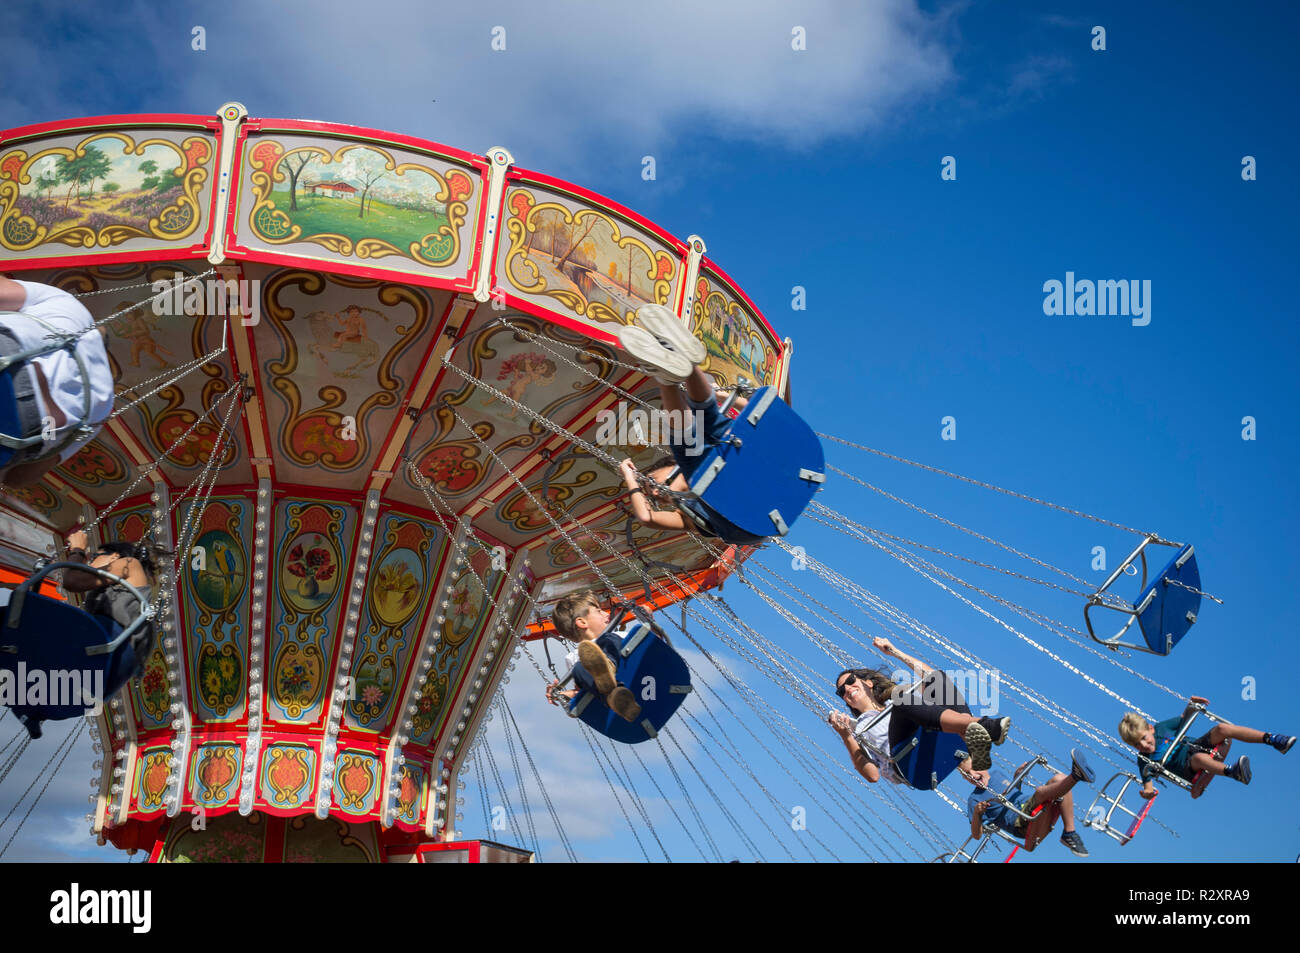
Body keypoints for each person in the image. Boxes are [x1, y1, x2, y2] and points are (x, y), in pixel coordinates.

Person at [616, 304, 766, 547]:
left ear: (669, 464)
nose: (655, 492)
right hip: (747, 511)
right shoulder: (688, 516)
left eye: (652, 481)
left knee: (708, 426)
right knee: (693, 444)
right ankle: (671, 373)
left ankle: (683, 362)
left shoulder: (717, 458)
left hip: (748, 476)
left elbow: (755, 414)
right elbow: (646, 516)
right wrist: (629, 476)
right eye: (653, 494)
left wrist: (719, 395)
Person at [828, 636, 1012, 780]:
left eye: (851, 681)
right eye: (841, 691)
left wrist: (895, 652)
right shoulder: (859, 729)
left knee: (936, 681)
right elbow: (872, 776)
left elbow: (932, 678)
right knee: (902, 701)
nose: (847, 690)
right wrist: (846, 736)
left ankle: (970, 754)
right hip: (907, 764)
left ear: (868, 683)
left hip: (929, 743)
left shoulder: (896, 701)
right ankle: (982, 726)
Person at [0, 277, 114, 487]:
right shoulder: (105, 404)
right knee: (46, 431)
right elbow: (19, 479)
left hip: (10, 359)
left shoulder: (68, 306)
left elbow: (3, 292)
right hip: (21, 427)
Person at [1118, 697, 1294, 797]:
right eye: (1135, 744)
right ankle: (1232, 771)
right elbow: (1147, 784)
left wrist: (1191, 705)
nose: (1142, 745)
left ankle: (1272, 739)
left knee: (1222, 729)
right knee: (1200, 759)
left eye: (1143, 738)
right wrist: (1147, 792)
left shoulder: (1162, 728)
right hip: (1189, 769)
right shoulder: (1143, 761)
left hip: (1196, 746)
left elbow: (1183, 717)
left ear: (1150, 728)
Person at [960, 748, 1095, 857]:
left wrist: (1017, 778)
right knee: (1040, 792)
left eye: (974, 768)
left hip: (1028, 805)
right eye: (967, 774)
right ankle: (1076, 776)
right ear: (964, 779)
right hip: (1020, 823)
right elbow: (977, 835)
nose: (972, 775)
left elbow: (1013, 795)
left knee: (1060, 778)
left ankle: (1069, 833)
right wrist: (978, 813)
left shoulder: (997, 774)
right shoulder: (975, 799)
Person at [544, 590, 641, 722]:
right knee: (579, 669)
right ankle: (615, 696)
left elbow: (651, 648)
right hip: (621, 699)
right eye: (599, 611)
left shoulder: (620, 636)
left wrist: (648, 620)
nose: (606, 614)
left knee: (607, 640)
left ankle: (609, 667)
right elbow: (583, 693)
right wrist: (561, 695)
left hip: (639, 675)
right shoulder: (574, 657)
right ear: (582, 622)